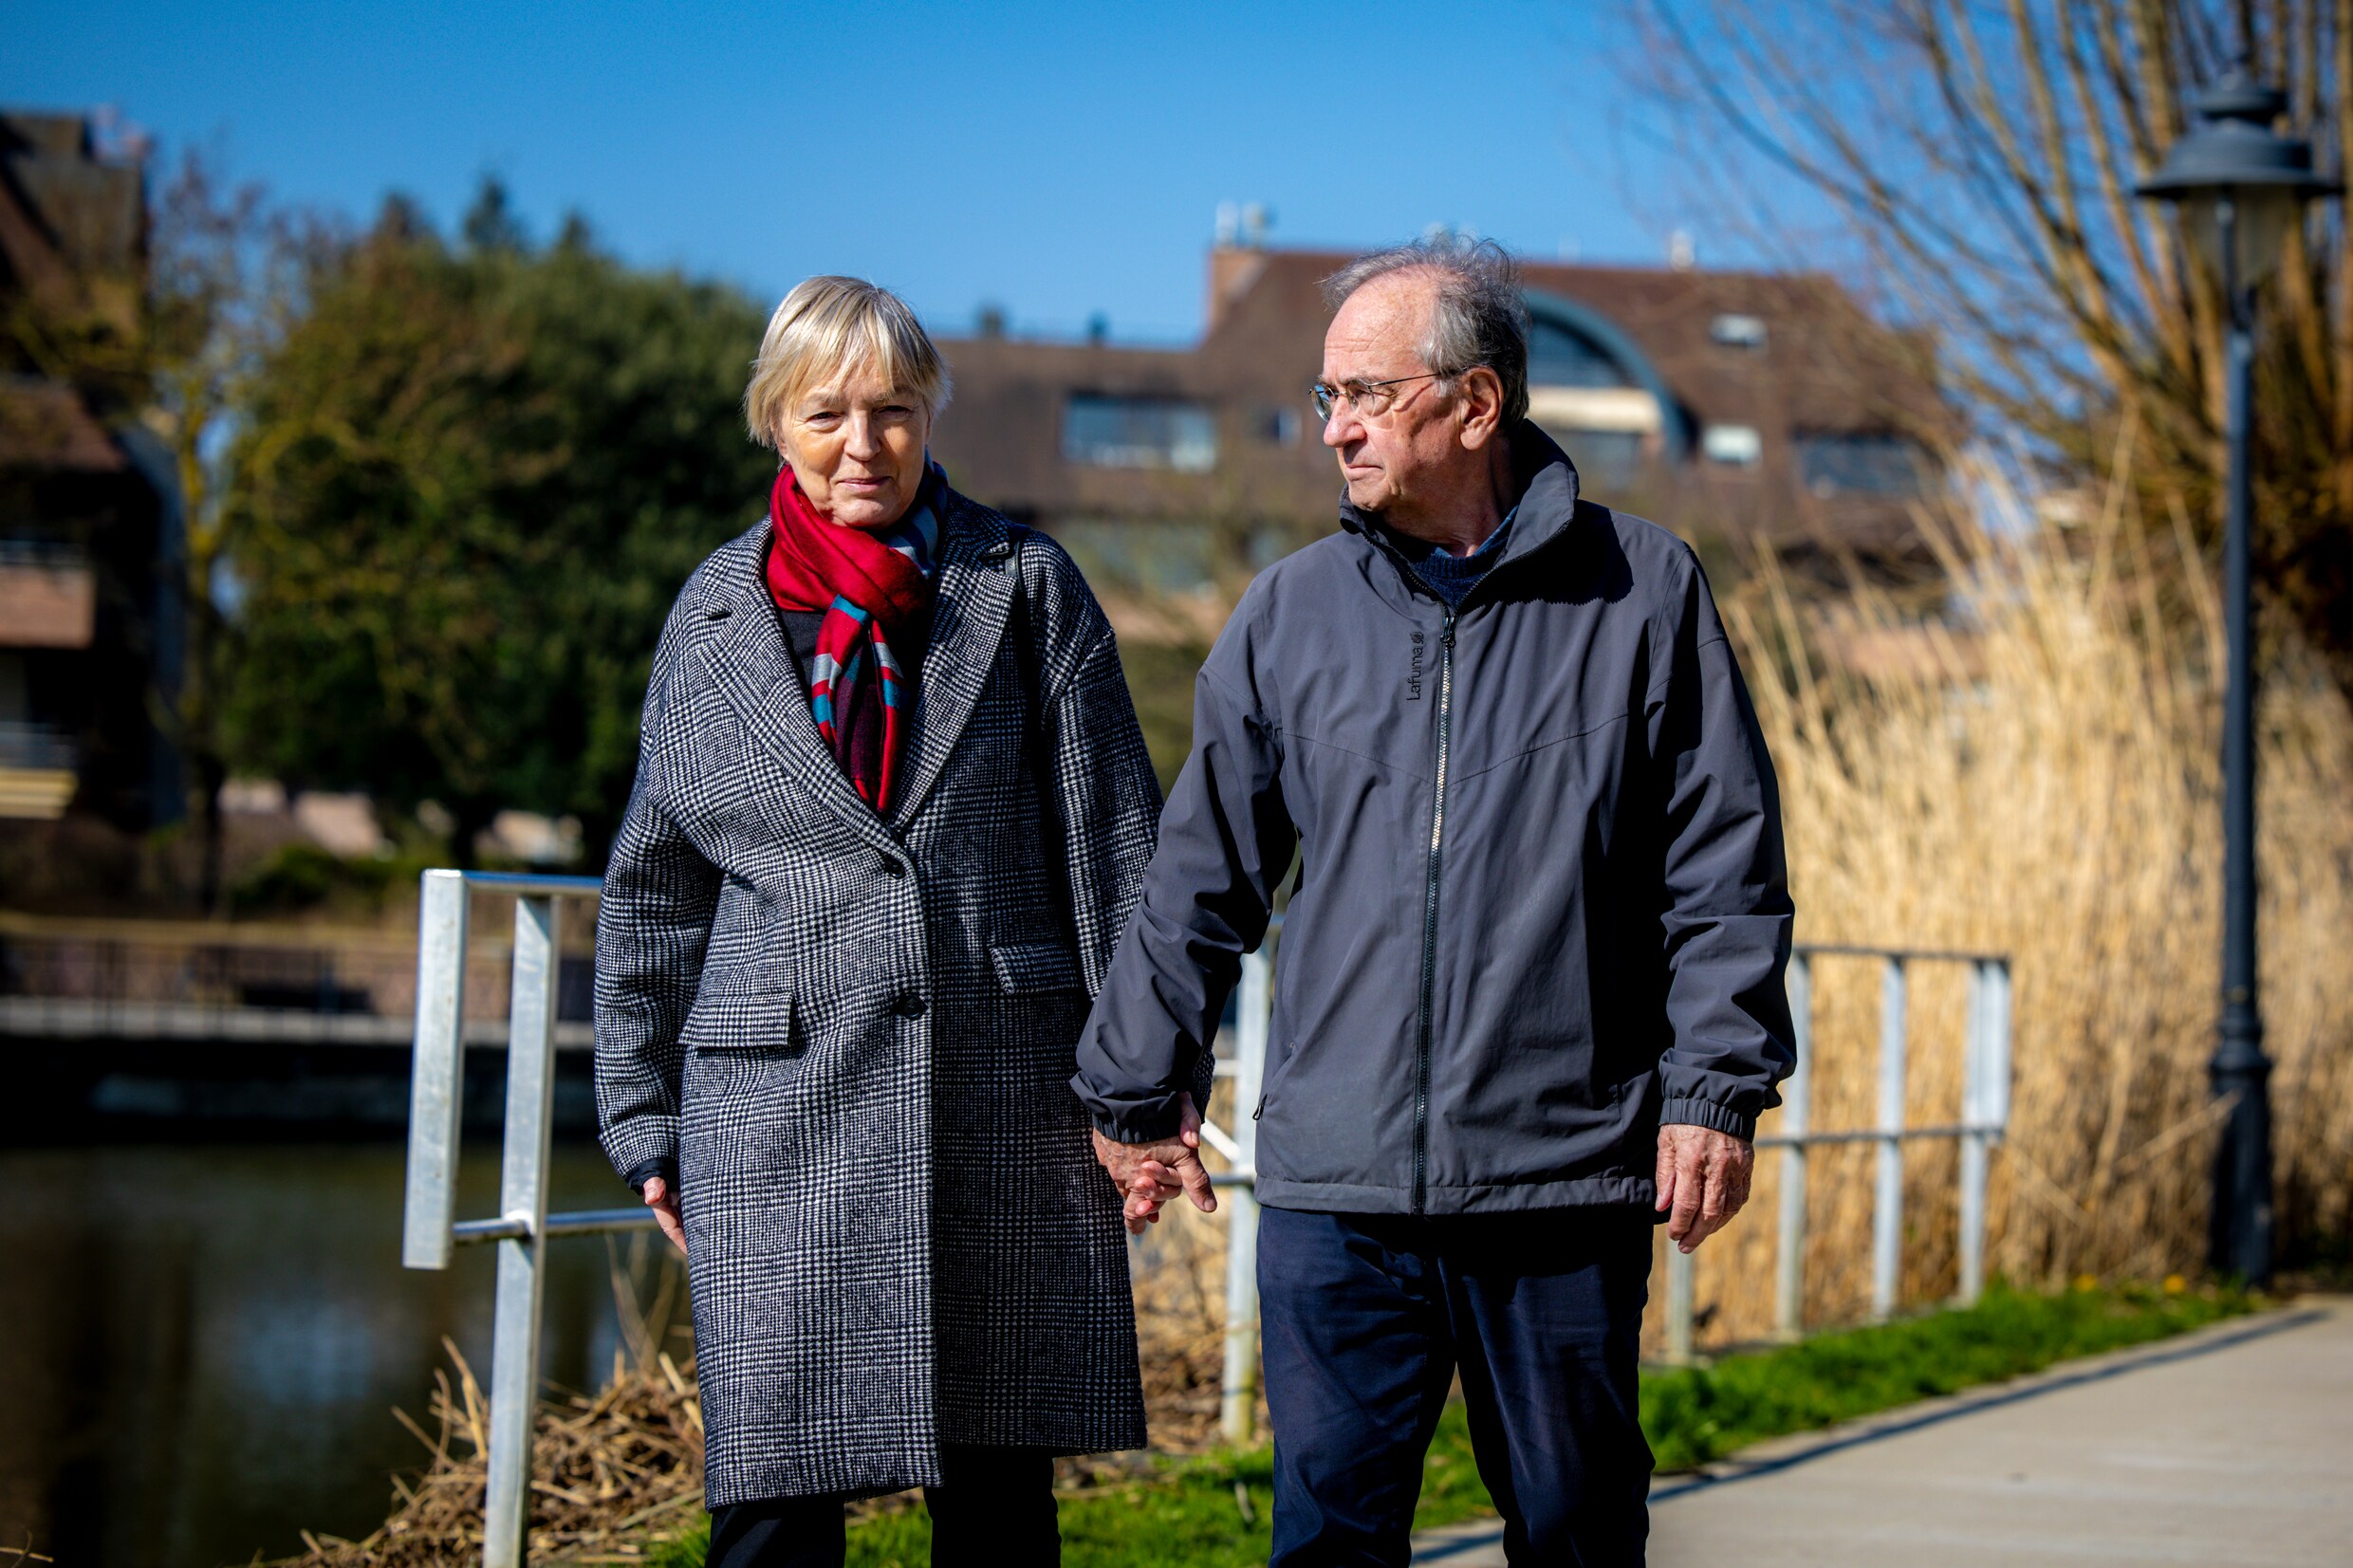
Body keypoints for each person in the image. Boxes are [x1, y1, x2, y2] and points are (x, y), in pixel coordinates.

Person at [1074, 239, 1795, 1565]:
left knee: (1577, 1533)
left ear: (1474, 404)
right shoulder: (1289, 614)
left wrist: (1714, 1087)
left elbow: (1723, 870)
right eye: (1325, 395)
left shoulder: (1643, 593)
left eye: (1364, 392)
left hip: (1559, 1178)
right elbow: (1199, 875)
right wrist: (1133, 1086)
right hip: (1336, 1195)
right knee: (1331, 1541)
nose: (1334, 425)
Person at [594, 276, 1169, 1568]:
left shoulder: (1025, 588)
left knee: (999, 1502)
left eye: (895, 411)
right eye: (828, 412)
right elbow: (653, 887)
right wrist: (640, 1115)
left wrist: (1139, 1097)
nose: (865, 445)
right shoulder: (714, 614)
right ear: (774, 423)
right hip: (773, 1113)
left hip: (1004, 1102)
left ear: (931, 417)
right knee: (769, 1510)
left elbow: (1119, 857)